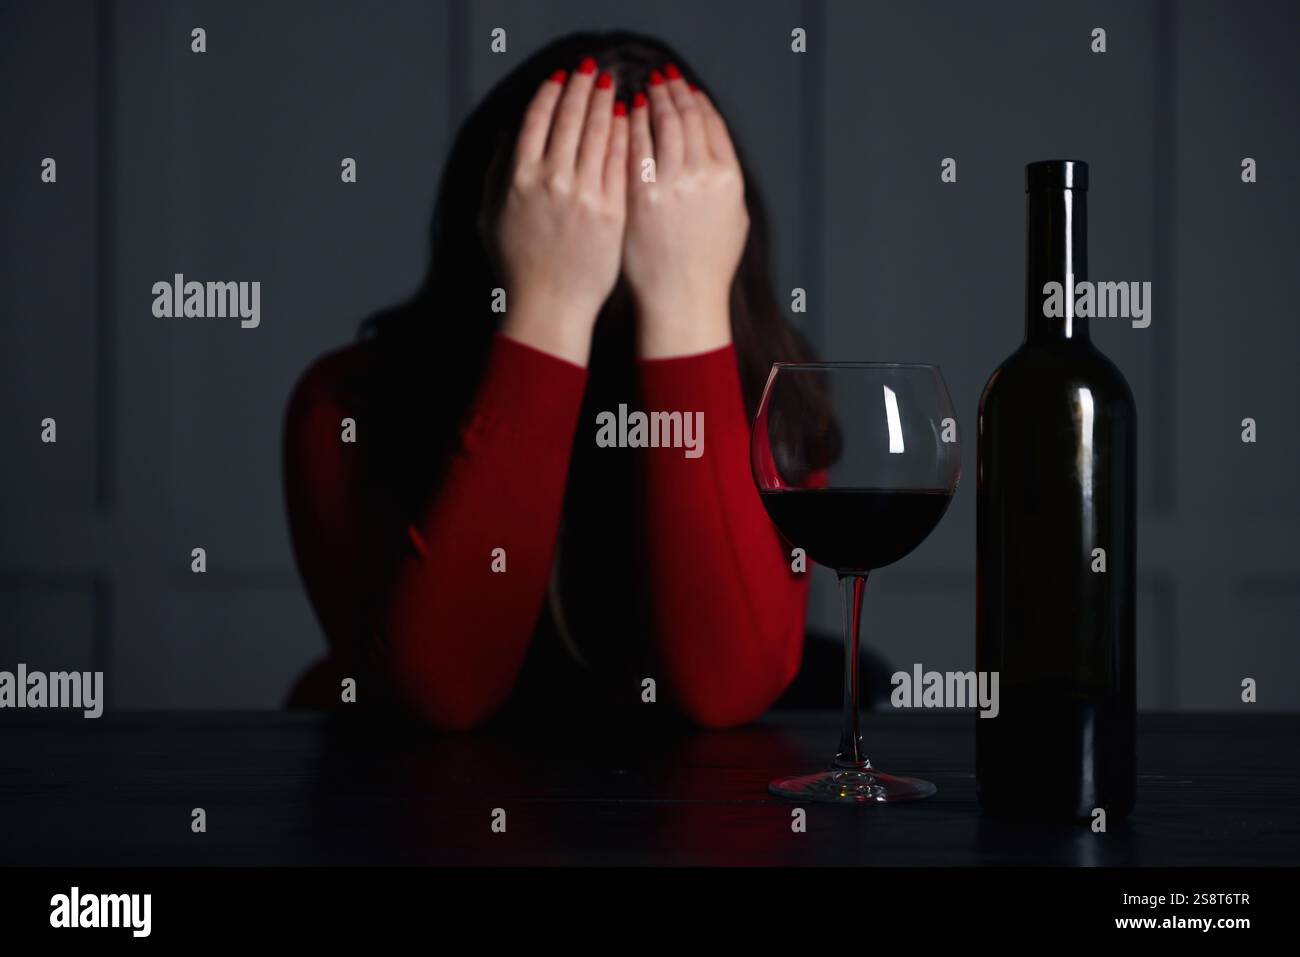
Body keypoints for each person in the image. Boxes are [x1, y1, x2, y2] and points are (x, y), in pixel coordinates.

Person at [282, 32, 842, 731]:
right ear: (488, 221)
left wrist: (686, 301)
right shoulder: (346, 404)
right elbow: (443, 691)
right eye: (567, 210)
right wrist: (548, 302)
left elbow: (727, 688)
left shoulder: (778, 402)